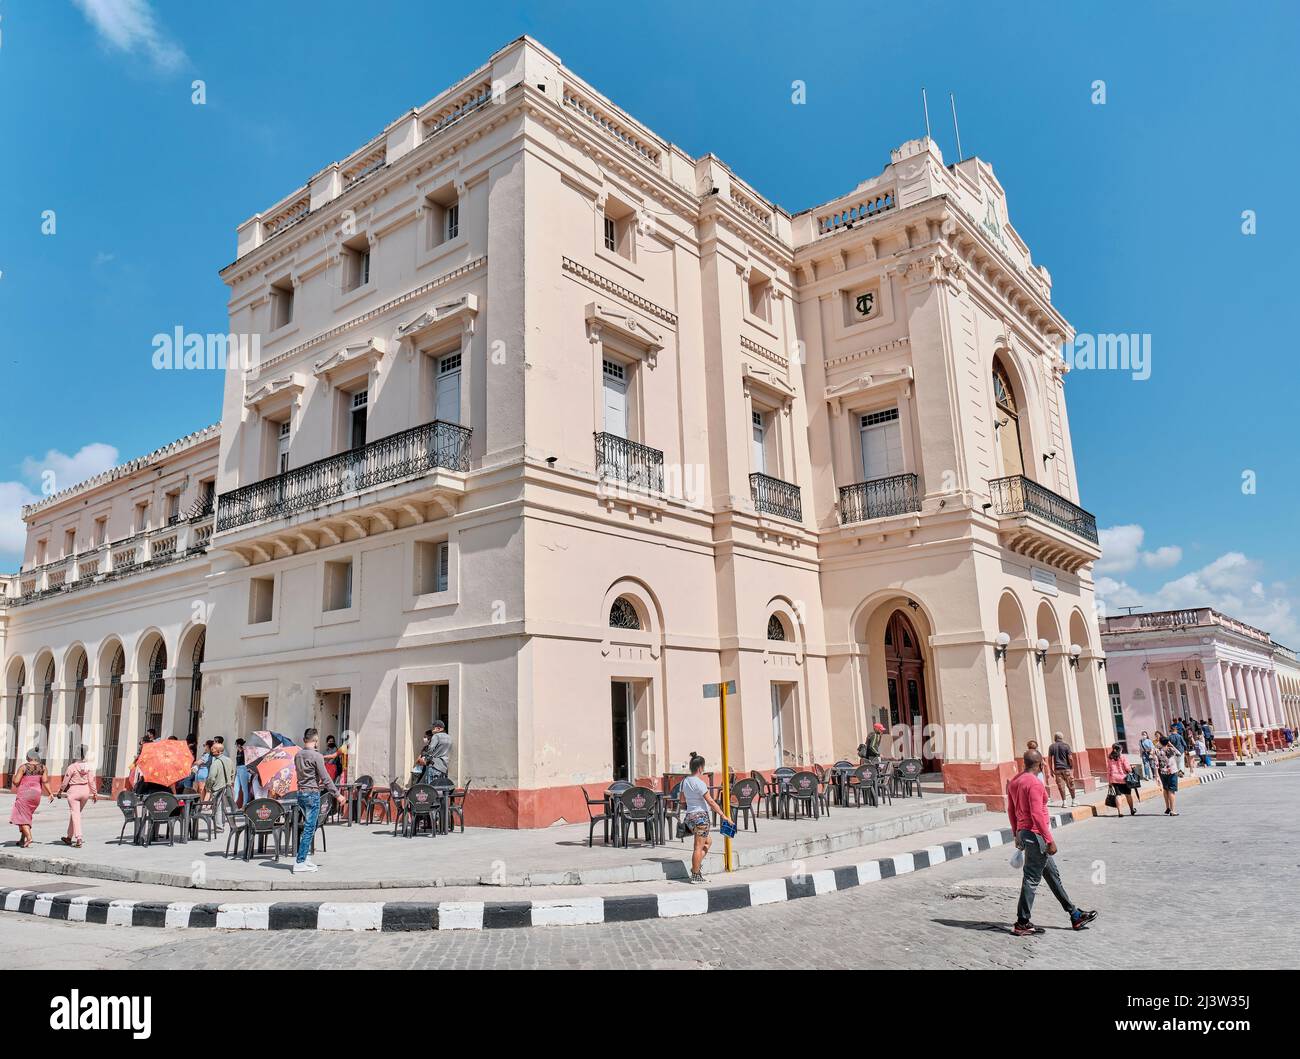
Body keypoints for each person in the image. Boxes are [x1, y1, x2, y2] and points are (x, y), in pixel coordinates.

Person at [1006, 749, 1097, 936]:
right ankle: (1022, 922)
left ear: (1025, 763)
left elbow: (1011, 809)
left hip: (1025, 833)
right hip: (1036, 835)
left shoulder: (1015, 781)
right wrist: (1049, 839)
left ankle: (1075, 914)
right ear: (1040, 764)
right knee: (1031, 878)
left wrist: (1016, 833)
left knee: (1053, 875)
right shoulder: (1035, 784)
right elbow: (1036, 814)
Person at [291, 728, 344, 875]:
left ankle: (304, 855)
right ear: (315, 740)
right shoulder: (317, 756)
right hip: (312, 794)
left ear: (304, 739)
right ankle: (300, 862)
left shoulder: (298, 755)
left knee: (311, 826)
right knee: (310, 827)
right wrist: (338, 795)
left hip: (301, 793)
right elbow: (326, 778)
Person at [680, 751, 734, 884]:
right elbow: (711, 801)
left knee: (707, 842)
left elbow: (682, 800)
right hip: (701, 819)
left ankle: (695, 866)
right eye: (703, 767)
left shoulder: (684, 782)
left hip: (690, 817)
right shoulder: (700, 783)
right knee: (698, 847)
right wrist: (723, 816)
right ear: (700, 768)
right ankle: (695, 875)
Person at [9, 750, 55, 847]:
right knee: (26, 816)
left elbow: (16, 782)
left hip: (25, 794)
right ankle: (22, 839)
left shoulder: (23, 767)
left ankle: (29, 838)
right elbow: (45, 781)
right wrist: (50, 793)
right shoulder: (43, 767)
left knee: (22, 816)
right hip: (36, 795)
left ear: (28, 757)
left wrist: (13, 778)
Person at [56, 745, 98, 848]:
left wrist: (60, 791)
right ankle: (69, 837)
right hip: (85, 792)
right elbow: (91, 781)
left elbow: (65, 781)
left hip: (74, 792)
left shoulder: (72, 767)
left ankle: (79, 838)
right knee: (75, 814)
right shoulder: (88, 767)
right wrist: (95, 793)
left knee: (75, 814)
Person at [205, 737, 234, 831]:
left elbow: (211, 777)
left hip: (218, 788)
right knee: (224, 807)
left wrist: (208, 788)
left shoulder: (216, 763)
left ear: (218, 751)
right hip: (227, 786)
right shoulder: (229, 760)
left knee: (217, 807)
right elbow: (233, 772)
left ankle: (219, 826)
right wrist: (230, 782)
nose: (212, 750)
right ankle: (223, 824)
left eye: (213, 749)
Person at [1105, 742, 1137, 818]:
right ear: (1119, 749)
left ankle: (1120, 812)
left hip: (1114, 779)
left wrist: (1109, 781)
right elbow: (1127, 768)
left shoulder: (1110, 758)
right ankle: (1132, 809)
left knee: (1118, 795)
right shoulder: (1122, 757)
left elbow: (1108, 770)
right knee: (1128, 794)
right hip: (1124, 778)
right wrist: (1131, 768)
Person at [1046, 732, 1076, 806]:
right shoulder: (1066, 746)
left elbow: (1049, 759)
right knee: (1071, 784)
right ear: (1062, 738)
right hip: (1066, 769)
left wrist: (1051, 769)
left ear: (1055, 738)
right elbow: (1070, 758)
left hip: (1057, 770)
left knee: (1061, 786)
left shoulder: (1051, 747)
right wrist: (1072, 767)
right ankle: (1073, 801)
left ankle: (1064, 802)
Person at [1157, 736, 1180, 816]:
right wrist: (1171, 745)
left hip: (1163, 772)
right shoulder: (1171, 749)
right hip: (1172, 772)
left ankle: (1167, 807)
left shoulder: (1158, 751)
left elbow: (1156, 762)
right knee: (1171, 790)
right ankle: (1172, 810)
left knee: (1165, 789)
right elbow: (1179, 753)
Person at [234, 738, 252, 807]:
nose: (235, 746)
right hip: (238, 769)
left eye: (236, 744)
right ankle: (235, 804)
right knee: (236, 788)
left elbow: (248, 761)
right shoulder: (238, 751)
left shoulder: (246, 751)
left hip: (243, 768)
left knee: (244, 788)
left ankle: (244, 805)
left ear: (238, 745)